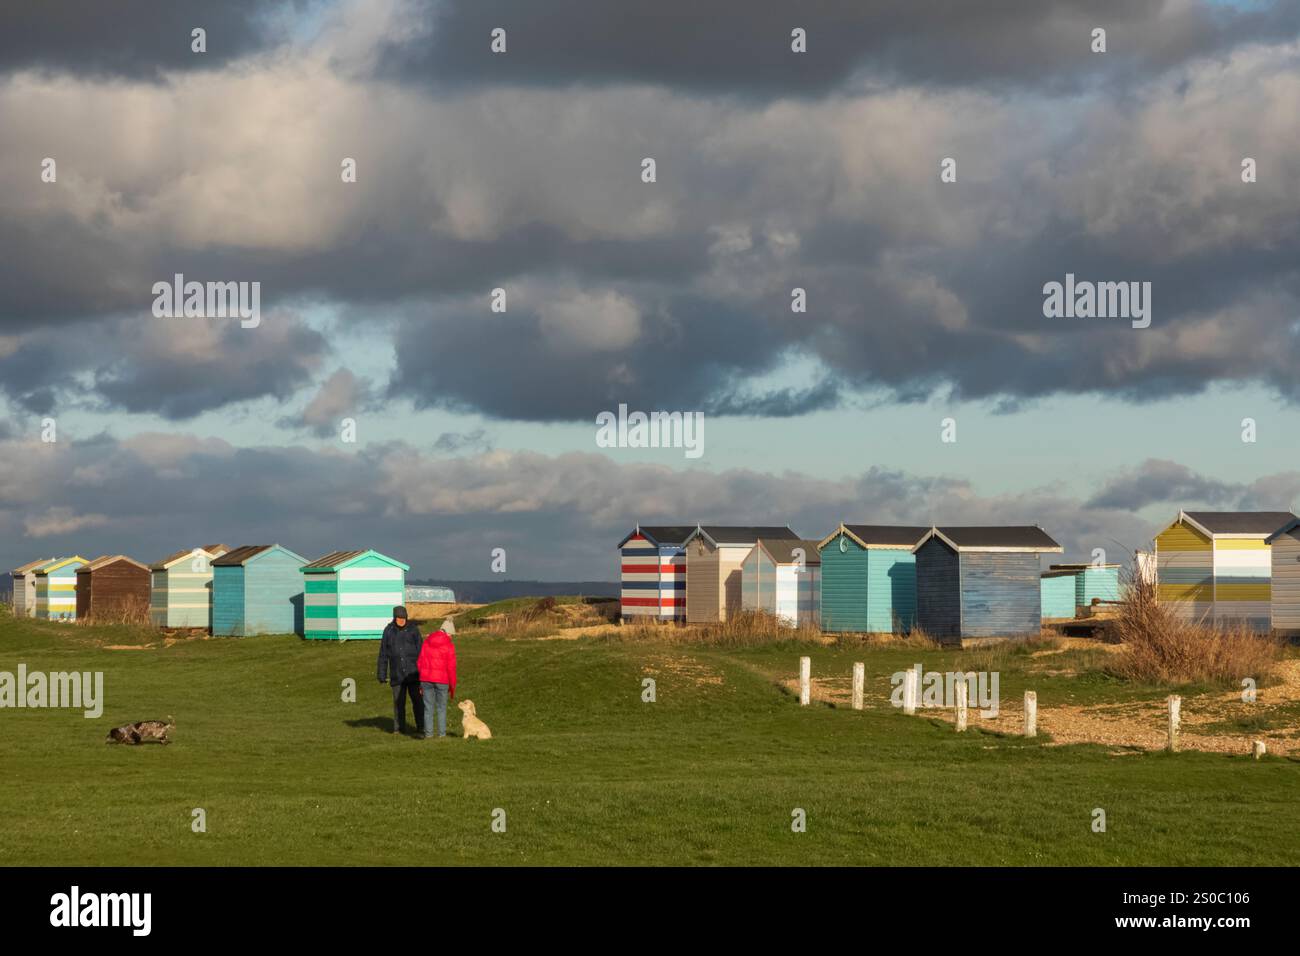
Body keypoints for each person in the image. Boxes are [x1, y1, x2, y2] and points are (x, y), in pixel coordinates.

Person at [377, 606, 424, 734]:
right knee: (398, 704)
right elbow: (383, 654)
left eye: (403, 618)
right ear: (394, 618)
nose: (402, 621)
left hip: (414, 674)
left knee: (418, 703)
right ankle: (399, 729)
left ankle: (421, 727)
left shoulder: (413, 630)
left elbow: (422, 652)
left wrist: (424, 672)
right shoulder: (388, 631)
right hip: (397, 674)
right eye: (399, 618)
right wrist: (382, 674)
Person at [416, 618, 458, 739]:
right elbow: (451, 667)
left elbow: (419, 663)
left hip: (426, 680)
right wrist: (452, 685)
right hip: (442, 680)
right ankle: (442, 735)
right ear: (448, 632)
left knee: (428, 708)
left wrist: (422, 679)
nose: (451, 637)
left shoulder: (427, 642)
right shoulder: (449, 645)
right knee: (441, 708)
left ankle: (428, 735)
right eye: (451, 635)